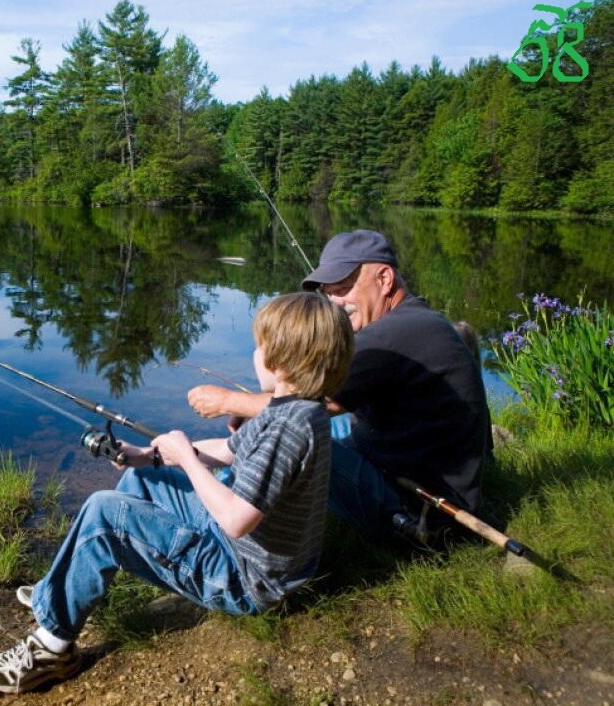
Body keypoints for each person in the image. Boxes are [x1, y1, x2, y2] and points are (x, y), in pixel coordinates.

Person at [0, 293, 354, 694]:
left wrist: (187, 459)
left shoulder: (288, 426)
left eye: (260, 346)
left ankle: (52, 649)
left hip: (245, 578)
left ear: (277, 362)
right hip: (258, 561)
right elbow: (226, 451)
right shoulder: (295, 409)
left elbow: (237, 520)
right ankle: (63, 588)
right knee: (143, 482)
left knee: (105, 514)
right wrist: (148, 456)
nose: (254, 352)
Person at [189, 229, 493, 542]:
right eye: (329, 294)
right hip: (417, 477)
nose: (336, 304)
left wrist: (229, 402)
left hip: (421, 513)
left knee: (292, 438)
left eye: (345, 289)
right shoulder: (414, 318)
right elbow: (308, 401)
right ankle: (220, 480)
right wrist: (260, 414)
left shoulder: (387, 337)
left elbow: (305, 409)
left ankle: (215, 516)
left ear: (384, 279)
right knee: (291, 430)